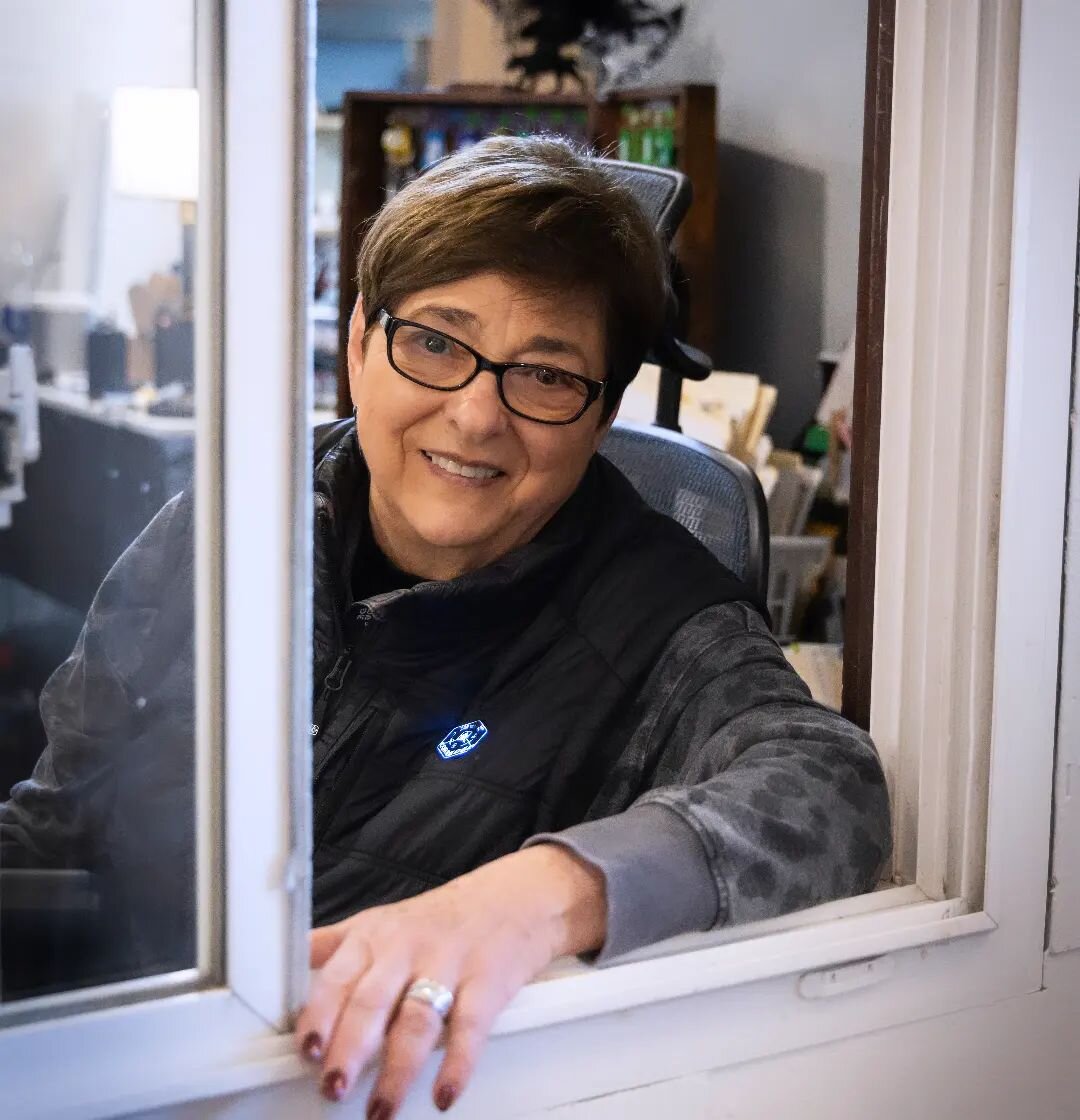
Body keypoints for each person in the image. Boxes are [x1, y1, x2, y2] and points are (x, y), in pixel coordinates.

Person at [0, 136, 890, 1114]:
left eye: (547, 375)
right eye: (434, 340)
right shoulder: (236, 518)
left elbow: (831, 787)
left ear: (600, 417)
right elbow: (56, 819)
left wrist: (531, 897)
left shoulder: (658, 621)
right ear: (357, 348)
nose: (474, 416)